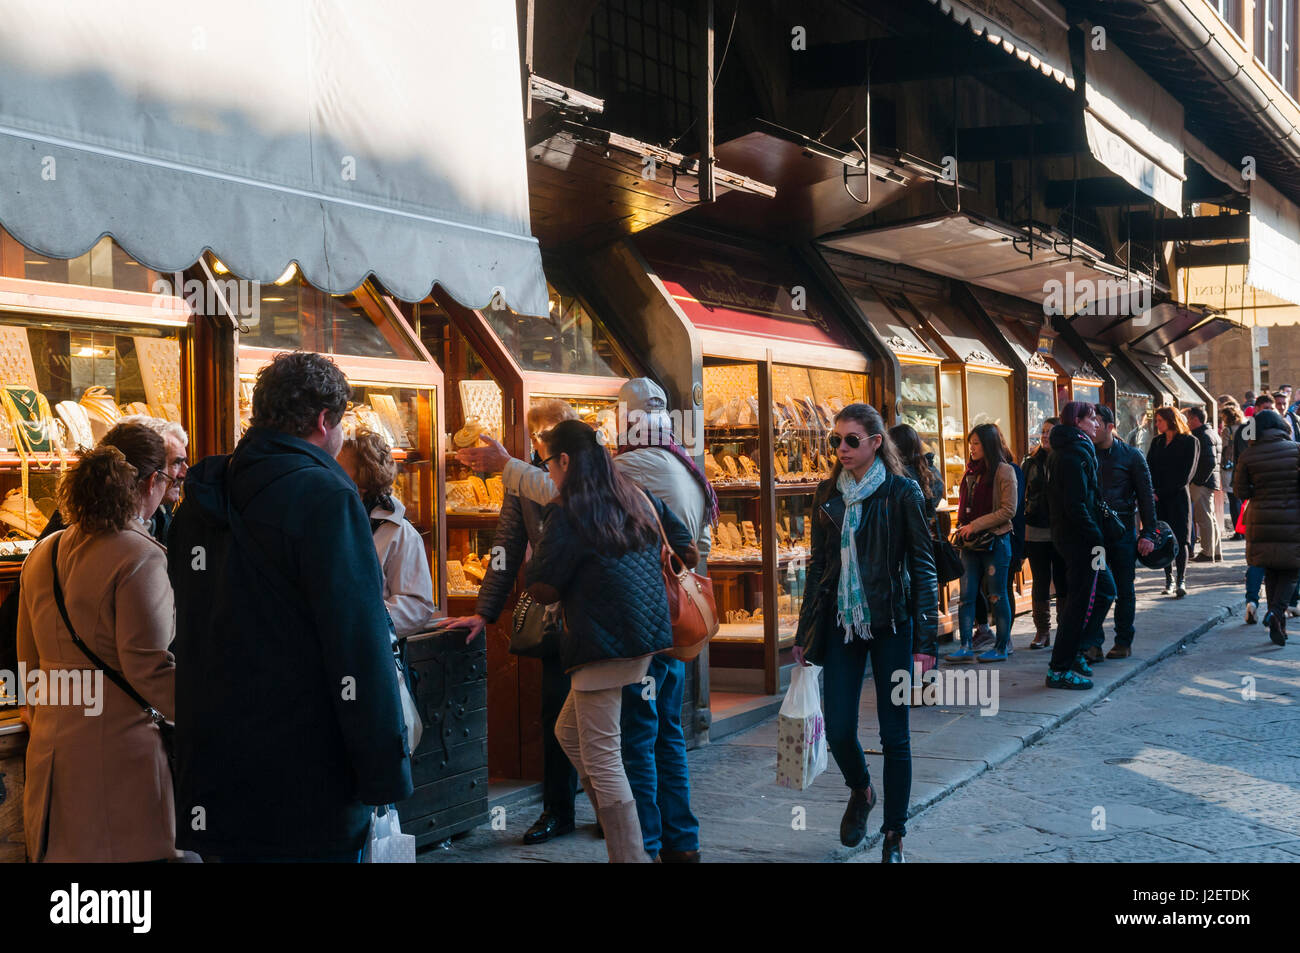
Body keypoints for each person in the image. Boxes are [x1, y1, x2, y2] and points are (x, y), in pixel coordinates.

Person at [168, 351, 413, 862]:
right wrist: (383, 772)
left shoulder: (203, 497)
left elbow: (186, 626)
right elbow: (356, 642)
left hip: (215, 764)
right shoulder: (327, 496)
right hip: (307, 771)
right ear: (325, 422)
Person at [523, 419, 697, 863]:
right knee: (572, 733)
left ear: (564, 460)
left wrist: (538, 554)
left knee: (603, 759)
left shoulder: (567, 509)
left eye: (547, 463)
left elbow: (542, 585)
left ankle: (631, 855)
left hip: (601, 645)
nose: (548, 473)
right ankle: (646, 840)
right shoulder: (633, 494)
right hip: (648, 639)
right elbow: (686, 546)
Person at [18, 428, 178, 861]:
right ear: (149, 483)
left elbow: (26, 666)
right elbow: (150, 669)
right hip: (120, 765)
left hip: (51, 756)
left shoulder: (43, 551)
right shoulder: (140, 556)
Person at [432, 398, 583, 846]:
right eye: (542, 435)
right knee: (556, 714)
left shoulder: (586, 476)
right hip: (558, 619)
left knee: (611, 721)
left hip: (601, 618)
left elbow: (566, 500)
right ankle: (559, 811)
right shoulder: (524, 482)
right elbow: (506, 546)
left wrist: (508, 464)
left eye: (556, 432)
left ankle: (624, 812)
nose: (547, 444)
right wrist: (484, 611)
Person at [792, 403, 938, 862]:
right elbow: (819, 566)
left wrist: (926, 642)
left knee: (895, 734)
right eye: (836, 440)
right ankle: (861, 790)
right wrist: (804, 632)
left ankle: (894, 835)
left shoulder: (901, 493)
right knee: (836, 727)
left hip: (892, 624)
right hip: (840, 623)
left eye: (851, 440)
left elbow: (923, 566)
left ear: (876, 443)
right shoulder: (826, 494)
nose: (841, 449)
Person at [611, 378, 710, 863]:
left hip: (646, 624)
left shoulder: (630, 464)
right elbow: (700, 547)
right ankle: (682, 841)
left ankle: (646, 843)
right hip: (677, 620)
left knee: (640, 737)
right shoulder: (684, 462)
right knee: (668, 733)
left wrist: (510, 466)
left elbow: (565, 488)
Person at [337, 429, 435, 636]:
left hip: (370, 651)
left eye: (339, 468)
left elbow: (417, 606)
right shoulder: (331, 519)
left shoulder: (398, 532)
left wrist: (359, 622)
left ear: (362, 480)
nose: (330, 474)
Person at [1045, 401, 1115, 689]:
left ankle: (1076, 651)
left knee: (1104, 591)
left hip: (1084, 540)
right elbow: (1075, 505)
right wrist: (1095, 534)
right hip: (1081, 542)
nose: (1096, 424)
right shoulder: (1070, 456)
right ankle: (1059, 668)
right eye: (1091, 419)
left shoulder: (1078, 450)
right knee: (1079, 603)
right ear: (1077, 422)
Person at [1085, 406, 1157, 661]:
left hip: (1123, 532)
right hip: (1094, 534)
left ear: (1110, 426)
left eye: (1097, 422)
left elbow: (1147, 498)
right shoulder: (1086, 454)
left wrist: (1148, 532)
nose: (1093, 426)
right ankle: (1093, 643)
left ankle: (1123, 640)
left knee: (1124, 589)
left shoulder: (1131, 456)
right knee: (1095, 587)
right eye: (1090, 421)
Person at [949, 423, 1017, 663]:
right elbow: (963, 507)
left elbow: (1008, 510)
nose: (971, 448)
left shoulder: (1003, 471)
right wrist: (962, 528)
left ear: (988, 444)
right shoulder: (970, 472)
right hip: (970, 543)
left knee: (996, 595)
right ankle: (966, 645)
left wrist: (974, 525)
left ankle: (1001, 646)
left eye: (976, 443)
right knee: (966, 595)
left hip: (996, 541)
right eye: (970, 444)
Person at [1234, 410, 1300, 645]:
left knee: (1271, 571)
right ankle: (1275, 612)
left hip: (1259, 519)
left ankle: (1278, 627)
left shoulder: (1249, 455)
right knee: (1291, 570)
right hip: (1292, 520)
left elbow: (1241, 492)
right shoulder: (1296, 450)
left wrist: (1260, 494)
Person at [1022, 417, 1067, 650]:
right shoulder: (1031, 462)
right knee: (1040, 579)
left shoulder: (1066, 459)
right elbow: (1024, 495)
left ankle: (1063, 629)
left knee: (1061, 579)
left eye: (1051, 431)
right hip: (1036, 527)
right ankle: (1042, 631)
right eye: (1043, 431)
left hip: (1061, 529)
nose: (1045, 435)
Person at [1146, 406, 1199, 598]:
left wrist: (1160, 492)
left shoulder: (1189, 441)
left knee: (1181, 538)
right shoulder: (1157, 442)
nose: (1157, 424)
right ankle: (1168, 579)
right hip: (1158, 498)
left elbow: (1186, 475)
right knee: (1163, 538)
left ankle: (1181, 579)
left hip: (1177, 497)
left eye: (1160, 420)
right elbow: (1148, 467)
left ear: (1171, 420)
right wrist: (1151, 491)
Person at [1185, 406, 1222, 563]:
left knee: (1204, 517)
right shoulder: (1210, 432)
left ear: (1195, 419)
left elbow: (1209, 462)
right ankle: (1215, 551)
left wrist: (1197, 481)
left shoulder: (1203, 435)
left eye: (1188, 418)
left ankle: (1208, 553)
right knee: (1209, 517)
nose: (1186, 422)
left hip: (1202, 483)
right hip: (1208, 481)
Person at [1220, 403, 1245, 540]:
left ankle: (1238, 531)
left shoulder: (1227, 430)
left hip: (1230, 468)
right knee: (1242, 501)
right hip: (1243, 465)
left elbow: (1225, 448)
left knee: (1233, 501)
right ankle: (1245, 530)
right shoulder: (1245, 427)